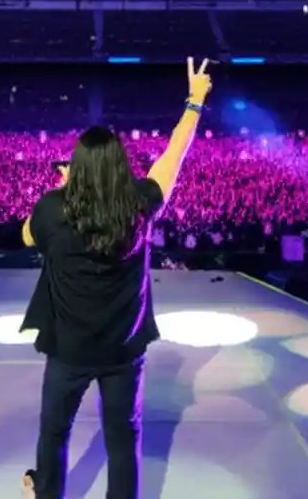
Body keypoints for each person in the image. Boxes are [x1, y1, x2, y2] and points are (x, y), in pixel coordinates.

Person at [19, 58, 212, 499]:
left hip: (68, 350)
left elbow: (27, 235)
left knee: (53, 435)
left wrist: (64, 191)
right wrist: (194, 101)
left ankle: (46, 493)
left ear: (76, 169)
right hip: (124, 350)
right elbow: (172, 158)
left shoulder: (52, 208)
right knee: (123, 441)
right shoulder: (140, 204)